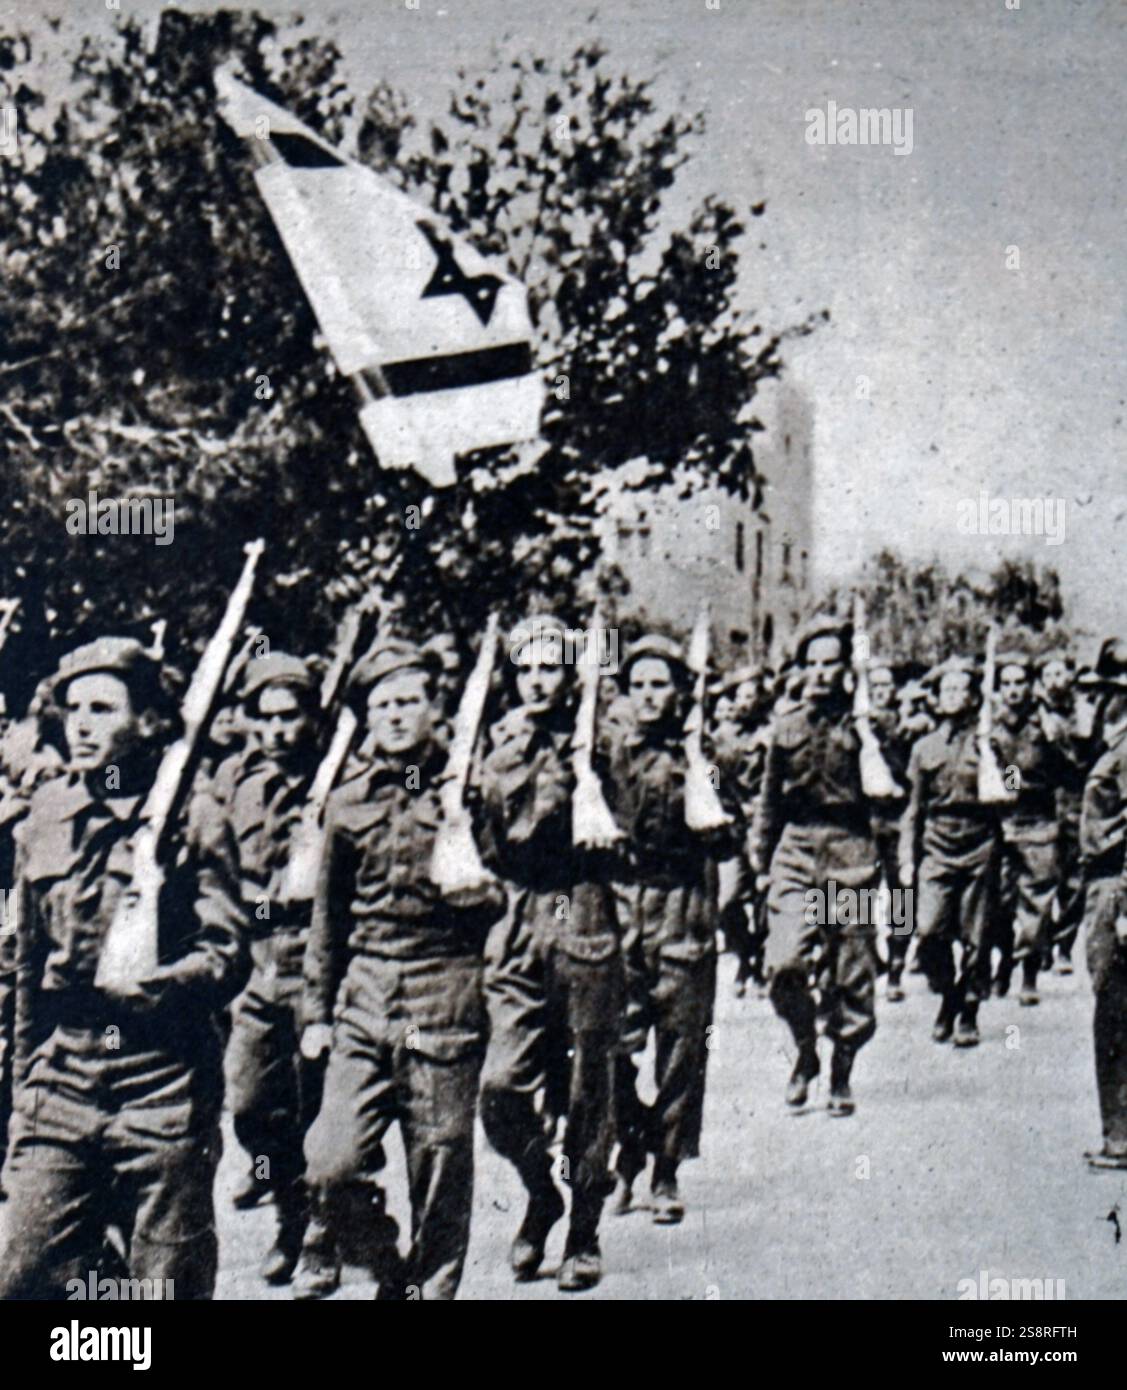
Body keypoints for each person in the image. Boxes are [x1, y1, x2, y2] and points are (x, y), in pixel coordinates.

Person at [0, 638, 246, 1299]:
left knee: (164, 1285)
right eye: (73, 709)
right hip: (64, 1077)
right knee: (23, 1275)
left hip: (162, 1079)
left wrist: (157, 985)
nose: (80, 724)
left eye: (103, 709)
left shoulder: (195, 815)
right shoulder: (45, 816)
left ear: (147, 722)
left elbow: (228, 954)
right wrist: (23, 1091)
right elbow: (27, 970)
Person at [298, 640, 504, 1299]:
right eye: (381, 704)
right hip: (366, 991)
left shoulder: (470, 787)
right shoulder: (347, 800)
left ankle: (434, 1289)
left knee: (440, 1158)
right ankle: (387, 1265)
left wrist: (482, 889)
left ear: (432, 708)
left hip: (445, 983)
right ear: (366, 714)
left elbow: (511, 891)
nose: (394, 715)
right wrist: (314, 1013)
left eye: (408, 701)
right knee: (330, 1165)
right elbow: (327, 919)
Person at [477, 614, 624, 1292]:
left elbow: (629, 837)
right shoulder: (497, 739)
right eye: (526, 669)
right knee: (501, 1086)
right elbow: (485, 835)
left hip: (584, 905)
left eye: (550, 669)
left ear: (572, 676)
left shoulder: (602, 739)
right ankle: (541, 1191)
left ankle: (583, 1231)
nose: (537, 682)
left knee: (588, 1082)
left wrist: (589, 772)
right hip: (519, 915)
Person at [608, 635, 736, 1222]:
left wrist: (707, 799)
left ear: (681, 692)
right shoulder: (606, 756)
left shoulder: (701, 755)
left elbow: (729, 837)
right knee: (609, 1047)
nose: (650, 696)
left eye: (662, 684)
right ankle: (629, 1138)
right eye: (640, 685)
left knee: (682, 1047)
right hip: (621, 905)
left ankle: (665, 1169)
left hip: (683, 904)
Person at [219, 653, 325, 1282]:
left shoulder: (335, 778)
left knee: (314, 1109)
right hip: (254, 969)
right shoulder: (233, 784)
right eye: (268, 719)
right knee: (253, 1105)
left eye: (292, 717)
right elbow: (223, 877)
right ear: (251, 723)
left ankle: (308, 1230)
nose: (280, 731)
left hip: (318, 967)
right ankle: (293, 1203)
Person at [751, 617, 882, 1116]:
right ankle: (805, 1048)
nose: (822, 673)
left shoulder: (865, 724)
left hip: (850, 851)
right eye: (813, 664)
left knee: (851, 972)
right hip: (798, 849)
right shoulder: (786, 727)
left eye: (832, 663)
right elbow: (768, 801)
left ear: (848, 668)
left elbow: (890, 800)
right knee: (784, 963)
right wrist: (761, 863)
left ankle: (841, 1067)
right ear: (800, 669)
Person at [899, 658, 1000, 1046]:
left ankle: (969, 1008)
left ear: (974, 697)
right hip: (937, 845)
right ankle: (948, 993)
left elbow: (1014, 785)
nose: (954, 696)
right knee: (928, 931)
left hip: (980, 842)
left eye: (961, 689)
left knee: (976, 936)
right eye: (947, 690)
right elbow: (913, 808)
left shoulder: (989, 740)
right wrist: (908, 857)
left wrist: (997, 762)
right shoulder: (924, 748)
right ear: (937, 699)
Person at [990, 652, 1074, 1005]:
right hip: (1001, 824)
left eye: (1019, 683)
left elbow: (1069, 771)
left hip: (1040, 823)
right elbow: (1002, 774)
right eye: (1006, 684)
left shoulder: (1047, 727)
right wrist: (1011, 782)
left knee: (1036, 903)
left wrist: (1059, 741)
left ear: (1031, 686)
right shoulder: (991, 730)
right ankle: (1006, 958)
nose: (1013, 691)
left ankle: (1028, 971)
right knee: (1000, 903)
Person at [1076, 641, 1127, 1169]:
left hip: (1118, 887)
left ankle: (1120, 1136)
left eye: (1105, 693)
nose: (1097, 703)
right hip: (1106, 884)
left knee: (1114, 1014)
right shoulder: (1112, 745)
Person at [867, 660, 913, 1000]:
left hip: (899, 821)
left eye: (886, 686)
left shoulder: (909, 728)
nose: (881, 692)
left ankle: (897, 963)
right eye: (875, 687)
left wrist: (888, 739)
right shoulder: (856, 727)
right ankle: (869, 958)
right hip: (865, 822)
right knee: (856, 894)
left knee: (901, 894)